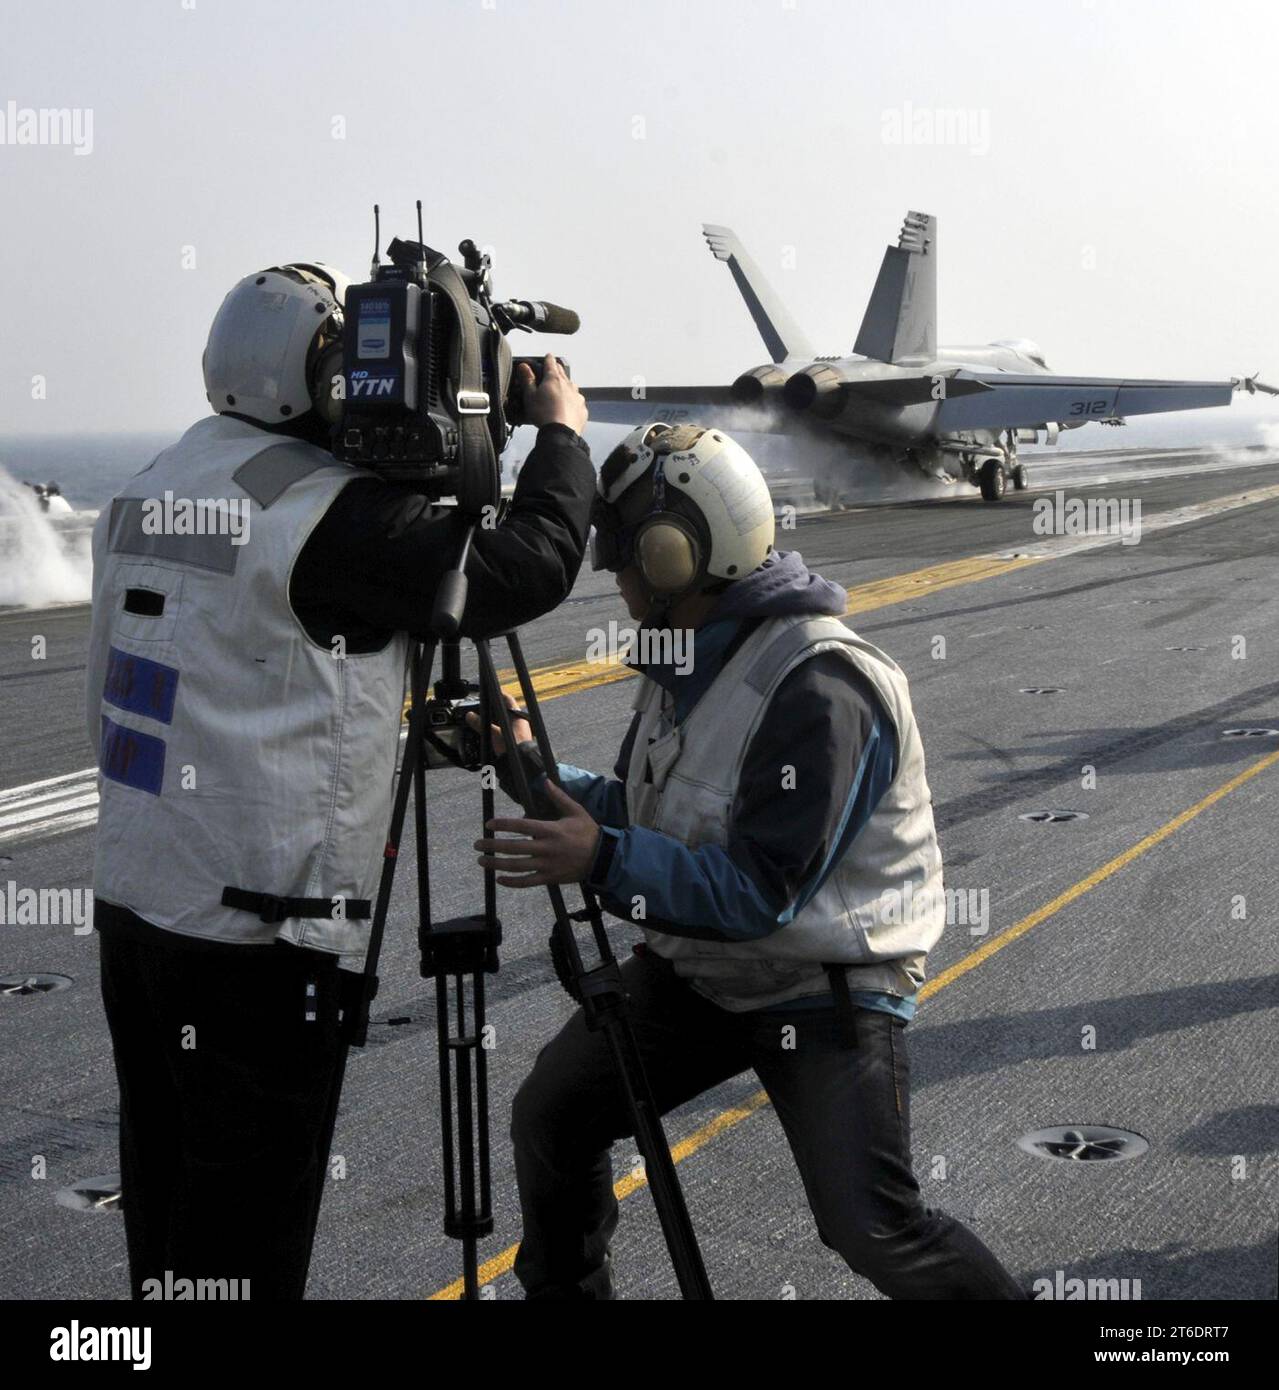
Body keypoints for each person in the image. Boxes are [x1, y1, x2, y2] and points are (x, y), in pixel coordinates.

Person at [87, 261, 594, 1299]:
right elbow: (525, 568)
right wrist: (562, 432)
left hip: (138, 910)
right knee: (243, 1255)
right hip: (258, 941)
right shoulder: (322, 514)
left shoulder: (152, 483)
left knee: (171, 1218)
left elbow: (259, 657)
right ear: (316, 376)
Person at [474, 421, 1026, 1300]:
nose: (610, 577)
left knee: (871, 1225)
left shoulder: (817, 683)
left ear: (669, 558)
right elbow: (646, 810)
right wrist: (522, 763)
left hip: (823, 980)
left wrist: (602, 860)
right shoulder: (686, 654)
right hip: (708, 968)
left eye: (619, 555)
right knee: (555, 1114)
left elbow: (761, 890)